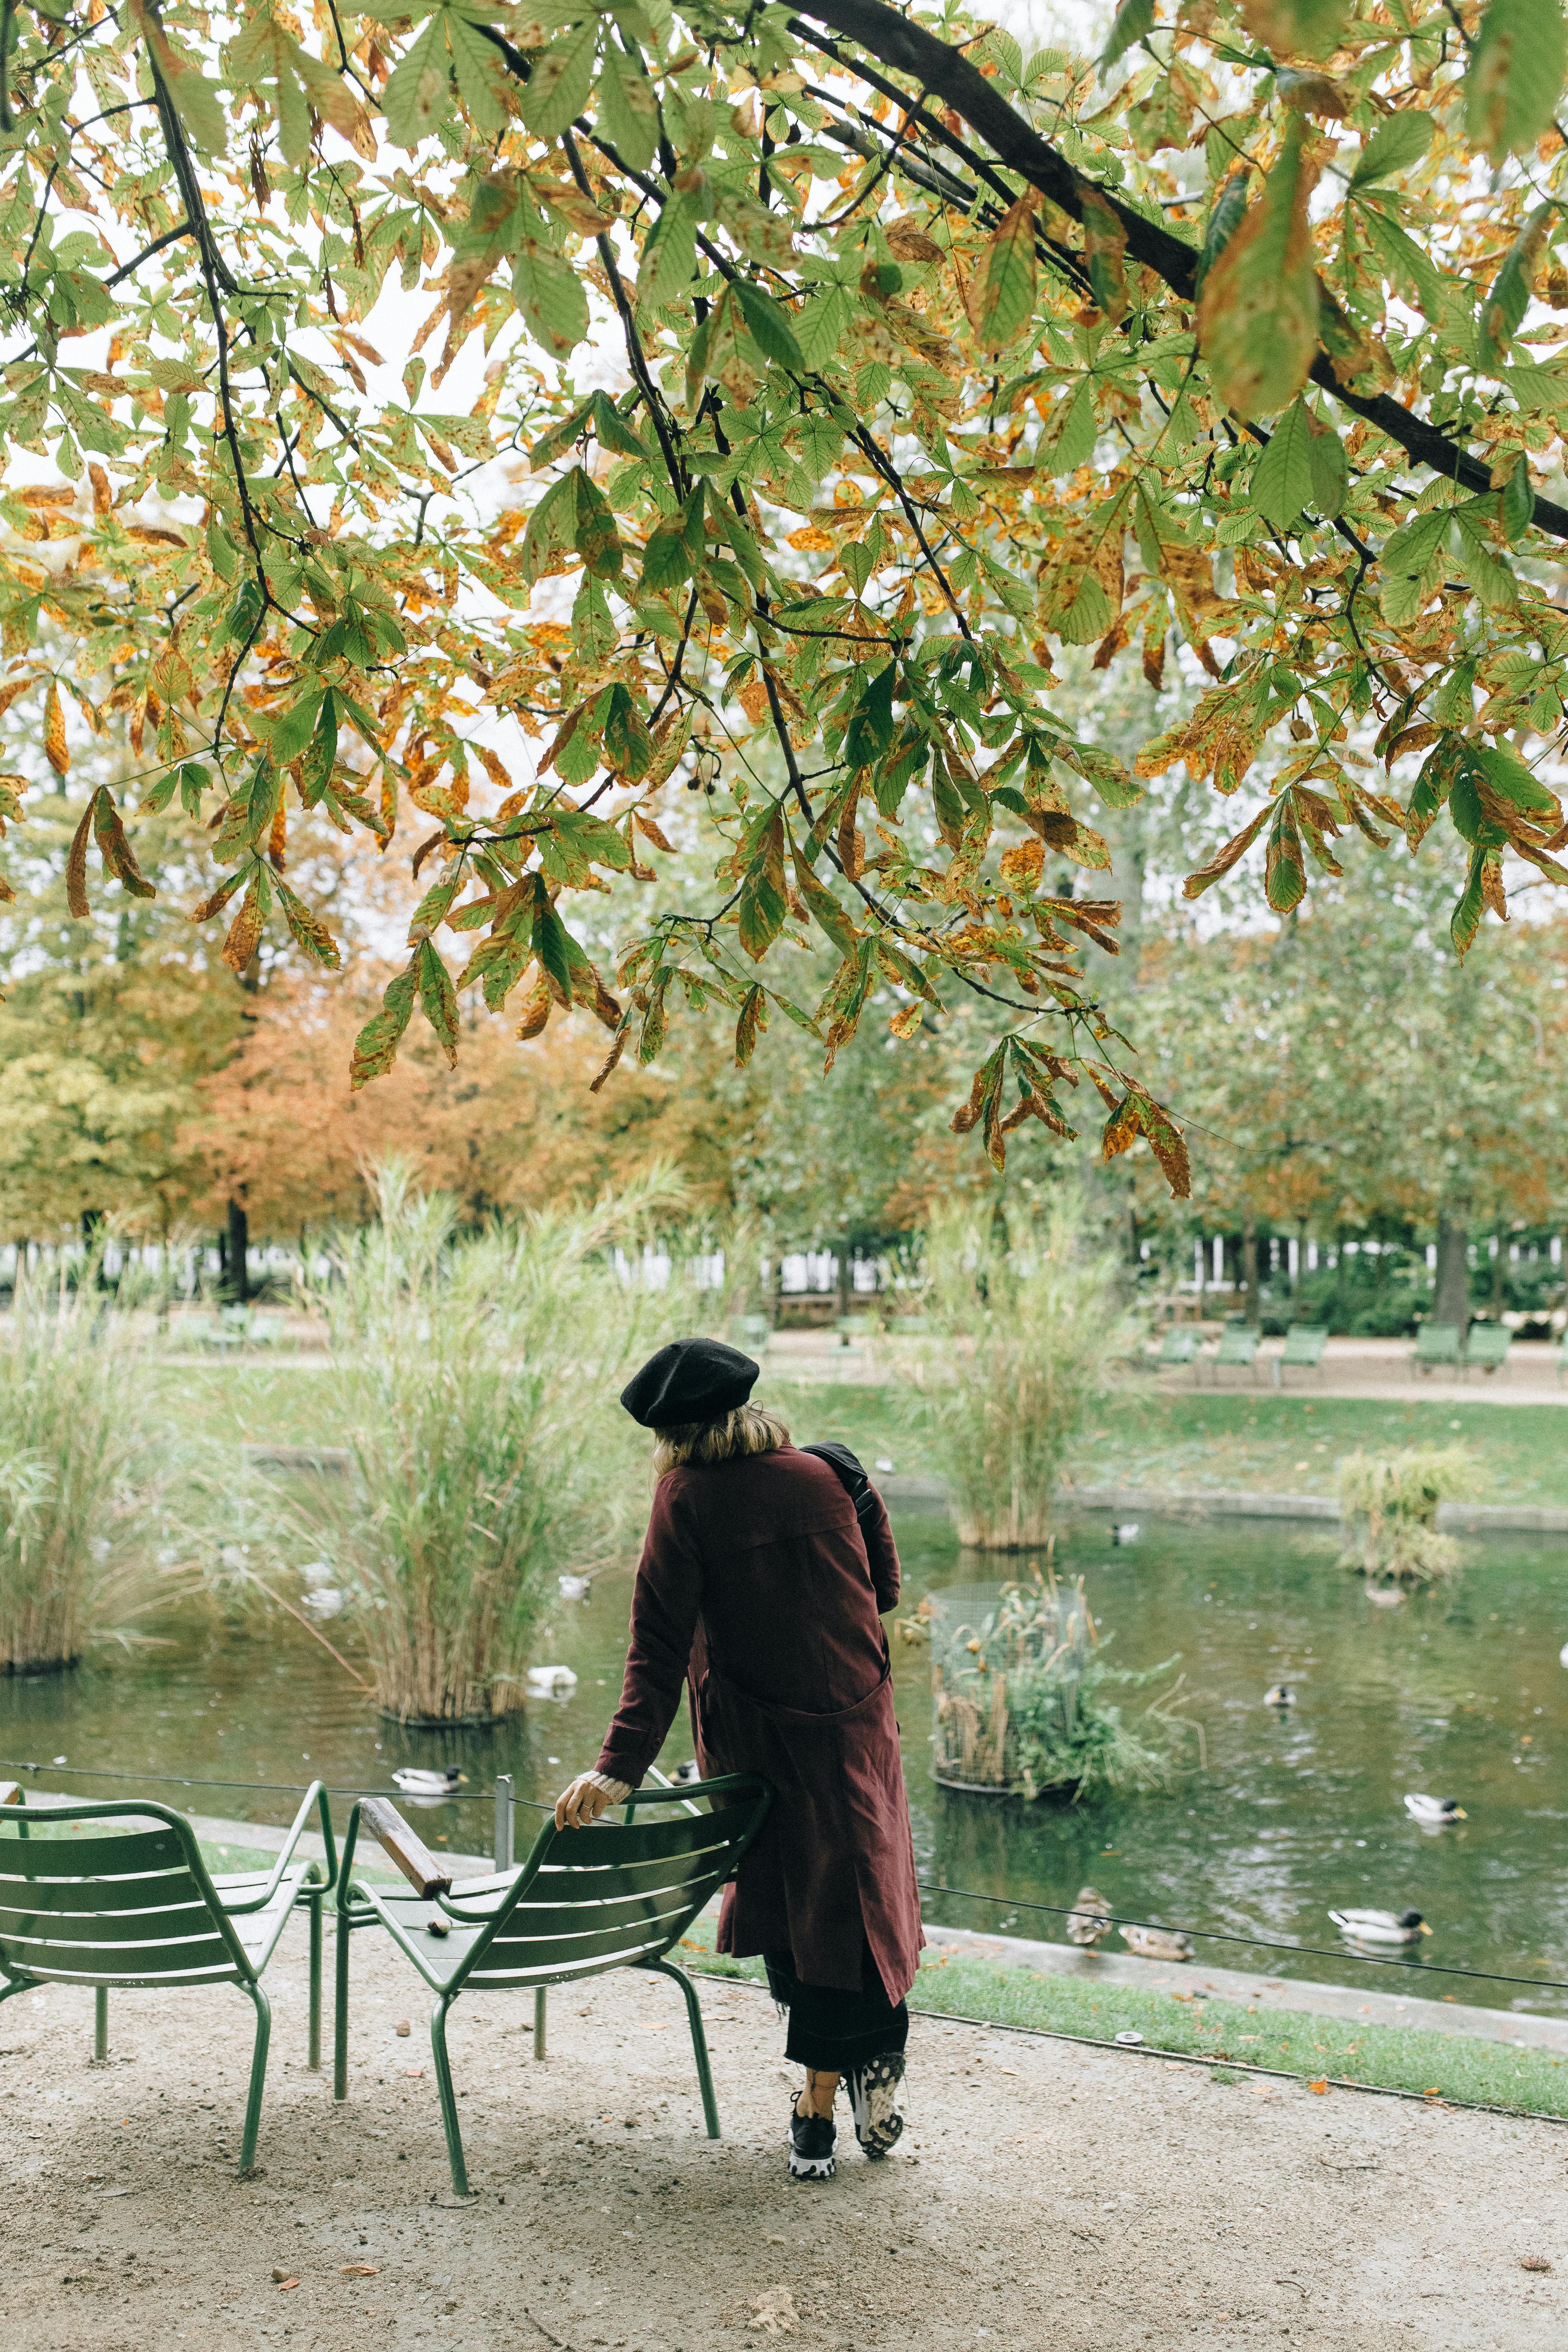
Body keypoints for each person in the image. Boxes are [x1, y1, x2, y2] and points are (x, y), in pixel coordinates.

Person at [554, 1336, 921, 2182]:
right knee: (870, 1899)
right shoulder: (830, 1473)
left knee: (806, 1918)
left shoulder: (686, 1497)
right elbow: (885, 1591)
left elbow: (656, 1642)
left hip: (767, 1744)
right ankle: (870, 2068)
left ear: (671, 1435)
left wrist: (617, 1767)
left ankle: (816, 2112)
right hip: (860, 1727)